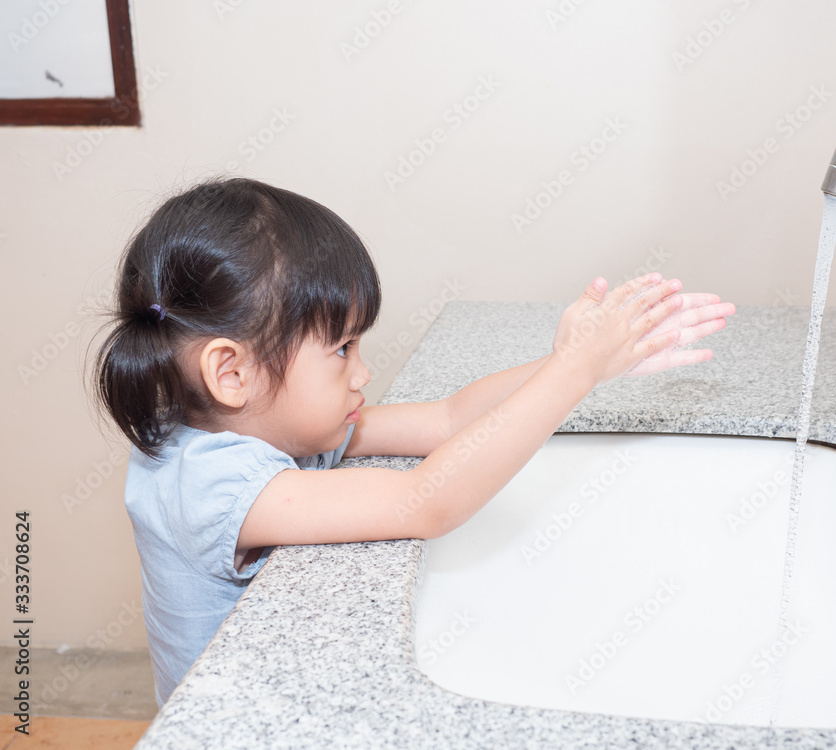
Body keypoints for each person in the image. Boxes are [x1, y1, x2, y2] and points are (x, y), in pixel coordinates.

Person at [89, 176, 735, 707]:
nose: (361, 371)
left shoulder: (257, 421)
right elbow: (424, 501)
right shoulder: (211, 483)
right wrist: (575, 371)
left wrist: (579, 362)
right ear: (232, 373)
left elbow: (450, 420)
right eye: (341, 349)